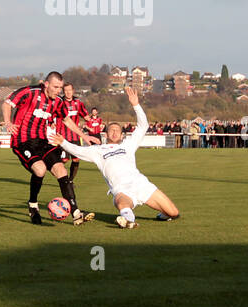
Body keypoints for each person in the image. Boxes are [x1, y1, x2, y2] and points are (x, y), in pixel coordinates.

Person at [51, 86, 180, 229]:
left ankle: (163, 214)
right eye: (111, 130)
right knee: (122, 203)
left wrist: (136, 105)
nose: (114, 133)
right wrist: (63, 142)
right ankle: (127, 220)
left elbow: (143, 126)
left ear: (122, 134)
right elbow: (78, 150)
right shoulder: (98, 150)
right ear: (105, 135)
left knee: (174, 213)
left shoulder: (128, 145)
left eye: (117, 130)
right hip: (121, 189)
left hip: (141, 184)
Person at [2, 71, 94, 225]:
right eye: (56, 87)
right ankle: (33, 205)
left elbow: (66, 120)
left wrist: (84, 136)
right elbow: (7, 103)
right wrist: (8, 123)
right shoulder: (30, 93)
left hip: (43, 141)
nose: (59, 91)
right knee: (40, 169)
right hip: (22, 141)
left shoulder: (58, 101)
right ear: (46, 84)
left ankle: (76, 212)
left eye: (61, 88)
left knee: (61, 170)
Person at [58, 82, 89, 183]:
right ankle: (63, 177)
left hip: (75, 136)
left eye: (69, 90)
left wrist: (89, 120)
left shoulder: (78, 102)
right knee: (64, 160)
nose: (68, 92)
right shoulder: (60, 102)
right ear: (63, 91)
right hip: (63, 135)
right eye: (65, 90)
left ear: (73, 91)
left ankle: (70, 181)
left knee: (76, 160)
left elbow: (85, 115)